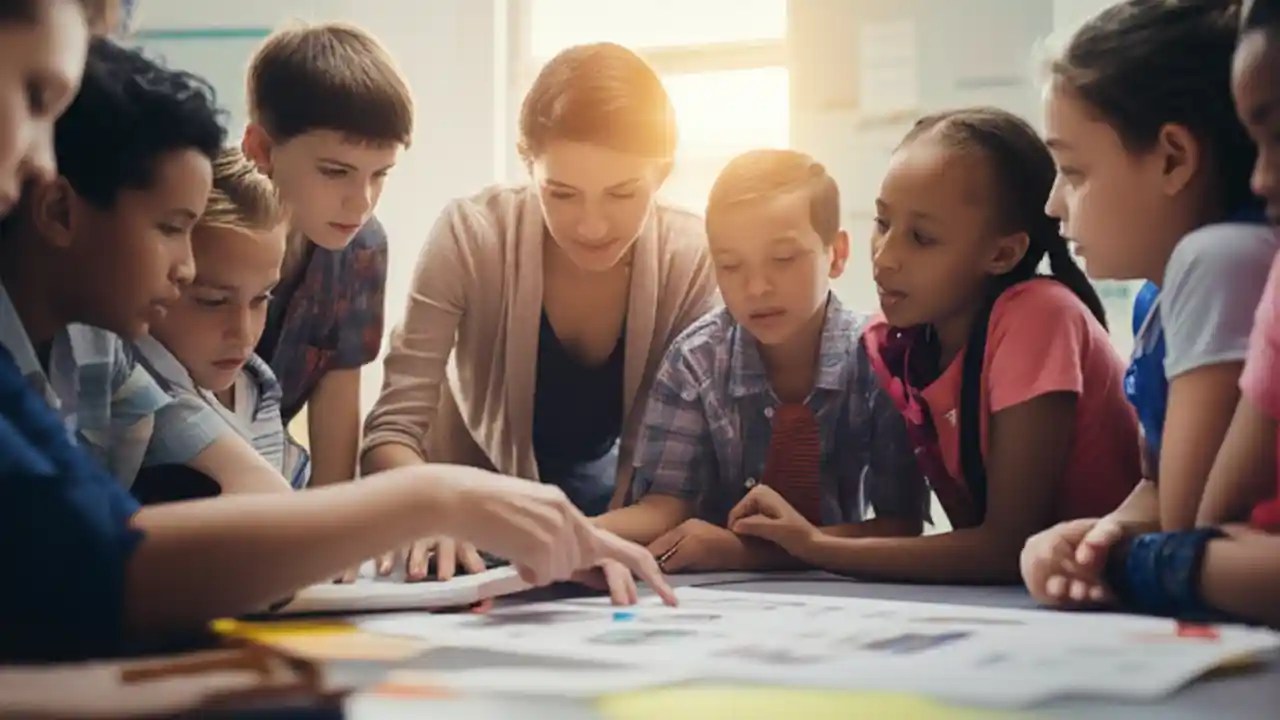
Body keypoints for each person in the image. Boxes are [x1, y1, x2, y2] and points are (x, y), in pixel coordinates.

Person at [0, 8, 673, 662]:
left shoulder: (97, 352)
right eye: (35, 99)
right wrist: (433, 498)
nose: (185, 268)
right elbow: (105, 565)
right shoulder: (132, 349)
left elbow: (99, 550)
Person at [727, 108, 1140, 583]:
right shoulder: (899, 346)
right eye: (883, 223)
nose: (885, 257)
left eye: (922, 238)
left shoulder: (1038, 317)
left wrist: (814, 546)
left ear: (1002, 253)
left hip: (1111, 586)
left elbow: (1007, 548)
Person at [361, 42, 718, 581]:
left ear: (662, 172)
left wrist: (572, 541)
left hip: (615, 522)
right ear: (529, 168)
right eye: (562, 194)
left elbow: (685, 480)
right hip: (467, 526)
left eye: (622, 194)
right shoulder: (469, 234)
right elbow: (390, 432)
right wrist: (436, 511)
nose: (592, 225)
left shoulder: (691, 257)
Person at [1021, 0, 1280, 628]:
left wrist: (1118, 552)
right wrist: (1094, 536)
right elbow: (1158, 490)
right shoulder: (1157, 295)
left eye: (1074, 171)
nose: (1055, 204)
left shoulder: (1220, 261)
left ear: (1172, 158)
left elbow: (1194, 522)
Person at [594, 150, 926, 572]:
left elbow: (900, 524)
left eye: (783, 260)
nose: (756, 287)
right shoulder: (695, 361)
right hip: (716, 593)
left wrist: (750, 551)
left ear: (837, 254)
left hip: (841, 585)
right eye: (731, 266)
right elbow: (663, 508)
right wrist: (567, 531)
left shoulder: (883, 360)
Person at [0, 37, 293, 495]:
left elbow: (258, 485)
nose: (187, 269)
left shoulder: (100, 347)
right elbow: (96, 538)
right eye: (171, 229)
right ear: (59, 213)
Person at [241, 22, 404, 492]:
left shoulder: (362, 247)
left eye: (380, 175)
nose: (362, 202)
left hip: (273, 494)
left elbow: (335, 453)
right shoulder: (200, 228)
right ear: (261, 149)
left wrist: (337, 539)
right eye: (336, 172)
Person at [135, 147, 310, 490]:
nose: (243, 333)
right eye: (212, 302)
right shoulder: (138, 382)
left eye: (262, 298)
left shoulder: (258, 387)